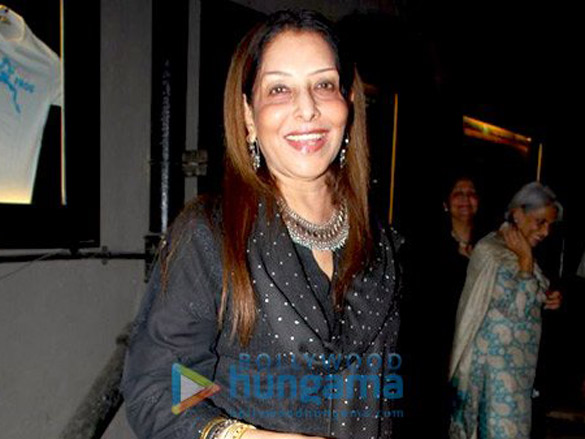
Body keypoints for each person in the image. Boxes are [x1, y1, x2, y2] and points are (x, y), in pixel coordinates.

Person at [122, 10, 402, 439]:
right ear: (249, 115)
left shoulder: (381, 245)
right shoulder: (211, 234)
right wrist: (238, 435)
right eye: (279, 89)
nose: (307, 109)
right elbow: (160, 383)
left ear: (347, 103)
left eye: (323, 85)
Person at [449, 182, 563, 439]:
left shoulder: (517, 251)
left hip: (518, 375)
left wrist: (549, 297)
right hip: (495, 380)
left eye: (549, 225)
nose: (546, 231)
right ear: (517, 214)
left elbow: (530, 296)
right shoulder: (492, 251)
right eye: (540, 222)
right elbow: (516, 309)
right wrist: (526, 262)